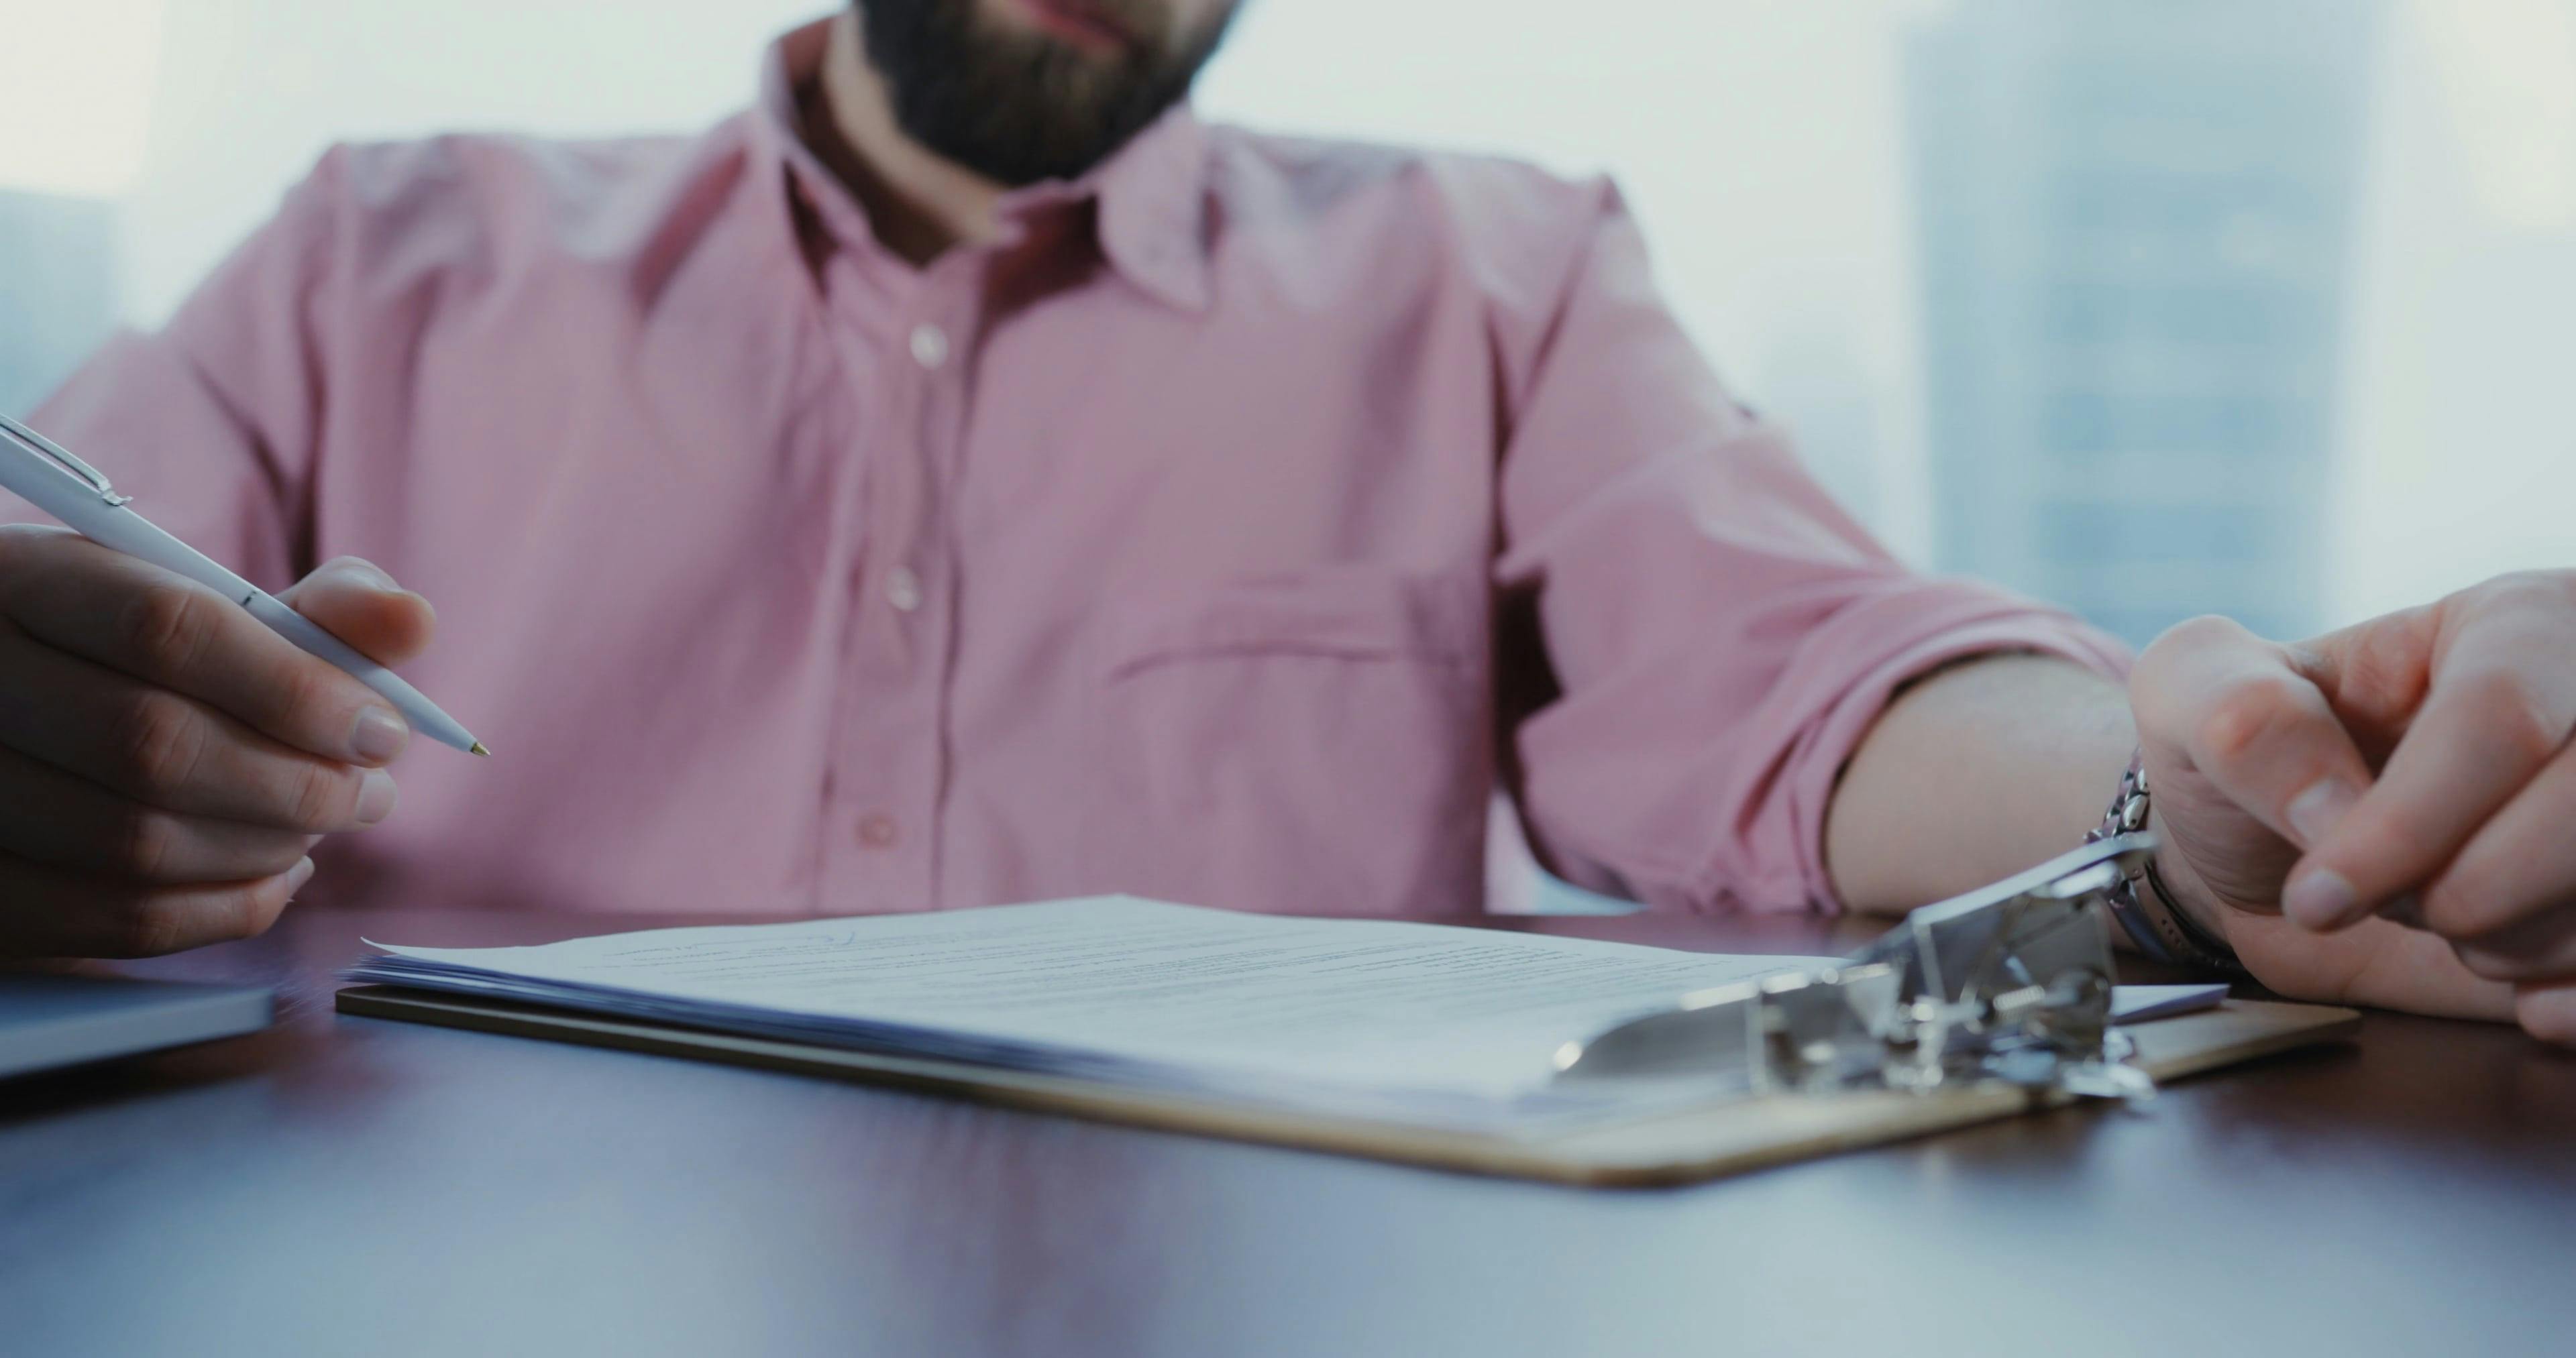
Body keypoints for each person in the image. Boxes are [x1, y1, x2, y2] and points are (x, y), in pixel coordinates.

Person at [3, 1, 2570, 1046]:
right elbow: (64, 632)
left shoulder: (1496, 270)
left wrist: (2214, 789)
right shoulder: (367, 249)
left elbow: (1810, 681)